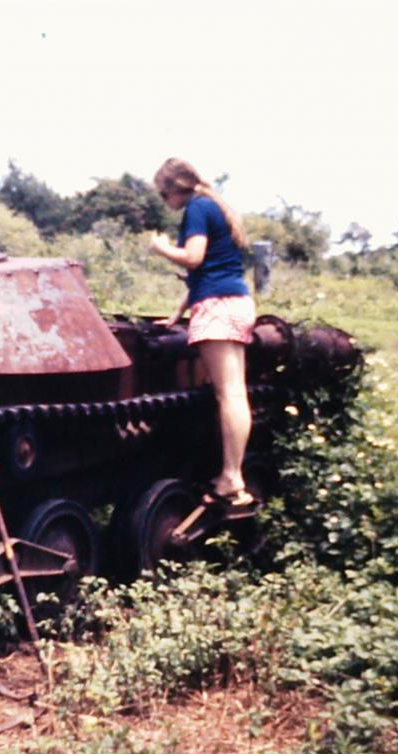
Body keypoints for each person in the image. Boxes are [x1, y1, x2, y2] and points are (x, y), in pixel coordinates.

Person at [147, 157, 256, 514]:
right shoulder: (213, 206)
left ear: (177, 186)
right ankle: (230, 472)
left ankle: (231, 476)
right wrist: (177, 315)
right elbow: (209, 270)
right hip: (235, 301)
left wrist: (161, 248)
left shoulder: (197, 208)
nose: (166, 201)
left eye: (164, 194)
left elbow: (194, 259)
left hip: (218, 308)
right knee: (233, 393)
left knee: (230, 395)